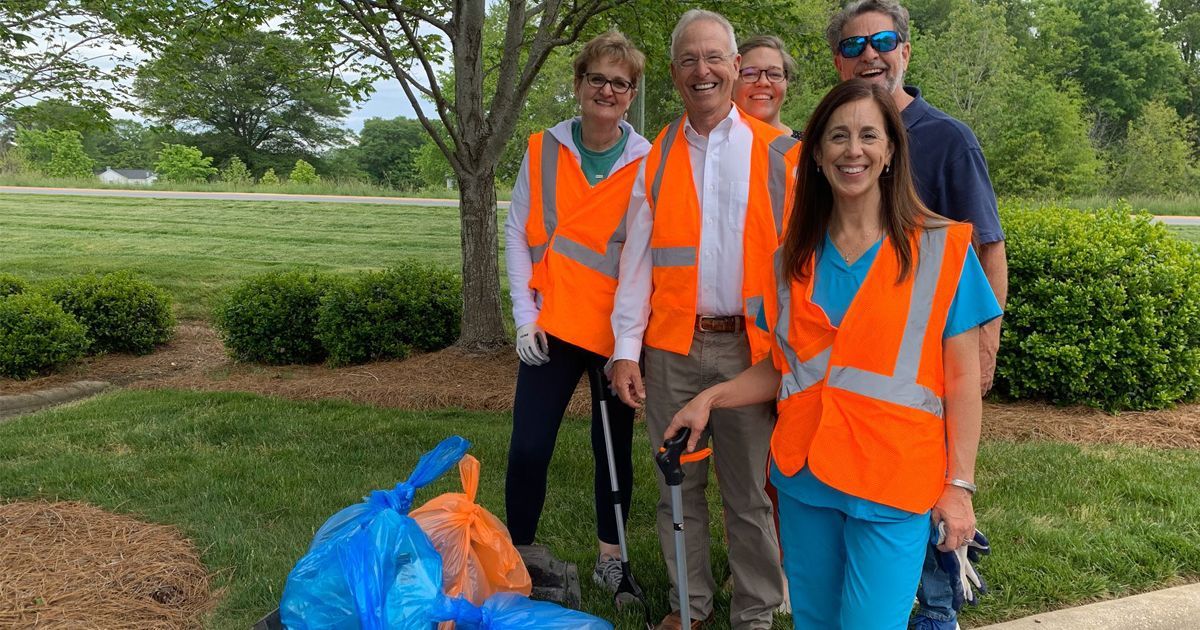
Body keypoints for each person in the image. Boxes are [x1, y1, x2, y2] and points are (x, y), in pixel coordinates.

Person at [664, 78, 1002, 629]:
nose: (854, 150)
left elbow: (963, 381)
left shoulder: (941, 250)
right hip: (805, 480)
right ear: (817, 154)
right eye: (839, 136)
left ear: (891, 152)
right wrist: (712, 397)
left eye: (869, 135)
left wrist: (959, 488)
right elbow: (785, 368)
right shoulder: (788, 262)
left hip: (892, 481)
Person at [608, 9, 798, 630]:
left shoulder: (783, 154)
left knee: (748, 496)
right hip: (672, 351)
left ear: (736, 66)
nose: (702, 70)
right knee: (677, 489)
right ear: (673, 73)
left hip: (751, 354)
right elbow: (637, 263)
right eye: (689, 60)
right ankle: (686, 609)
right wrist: (626, 350)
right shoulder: (656, 157)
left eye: (714, 57)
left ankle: (755, 616)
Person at [826, 2, 1008, 626]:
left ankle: (937, 612)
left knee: (934, 506)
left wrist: (987, 345)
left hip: (936, 361)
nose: (869, 54)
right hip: (867, 371)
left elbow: (987, 245)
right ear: (837, 60)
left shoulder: (947, 138)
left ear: (905, 49)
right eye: (855, 45)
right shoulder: (830, 140)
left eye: (883, 40)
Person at [502, 30, 651, 595]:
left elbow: (640, 259)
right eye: (598, 79)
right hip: (551, 326)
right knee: (529, 443)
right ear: (579, 85)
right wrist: (524, 315)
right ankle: (518, 554)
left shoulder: (646, 162)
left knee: (611, 450)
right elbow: (518, 233)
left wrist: (628, 347)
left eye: (620, 83)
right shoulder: (542, 149)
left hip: (616, 333)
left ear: (631, 94)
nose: (607, 90)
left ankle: (611, 558)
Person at [733, 35, 802, 139]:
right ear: (732, 81)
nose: (763, 82)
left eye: (774, 74)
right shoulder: (710, 147)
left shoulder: (809, 148)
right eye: (750, 74)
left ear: (786, 82)